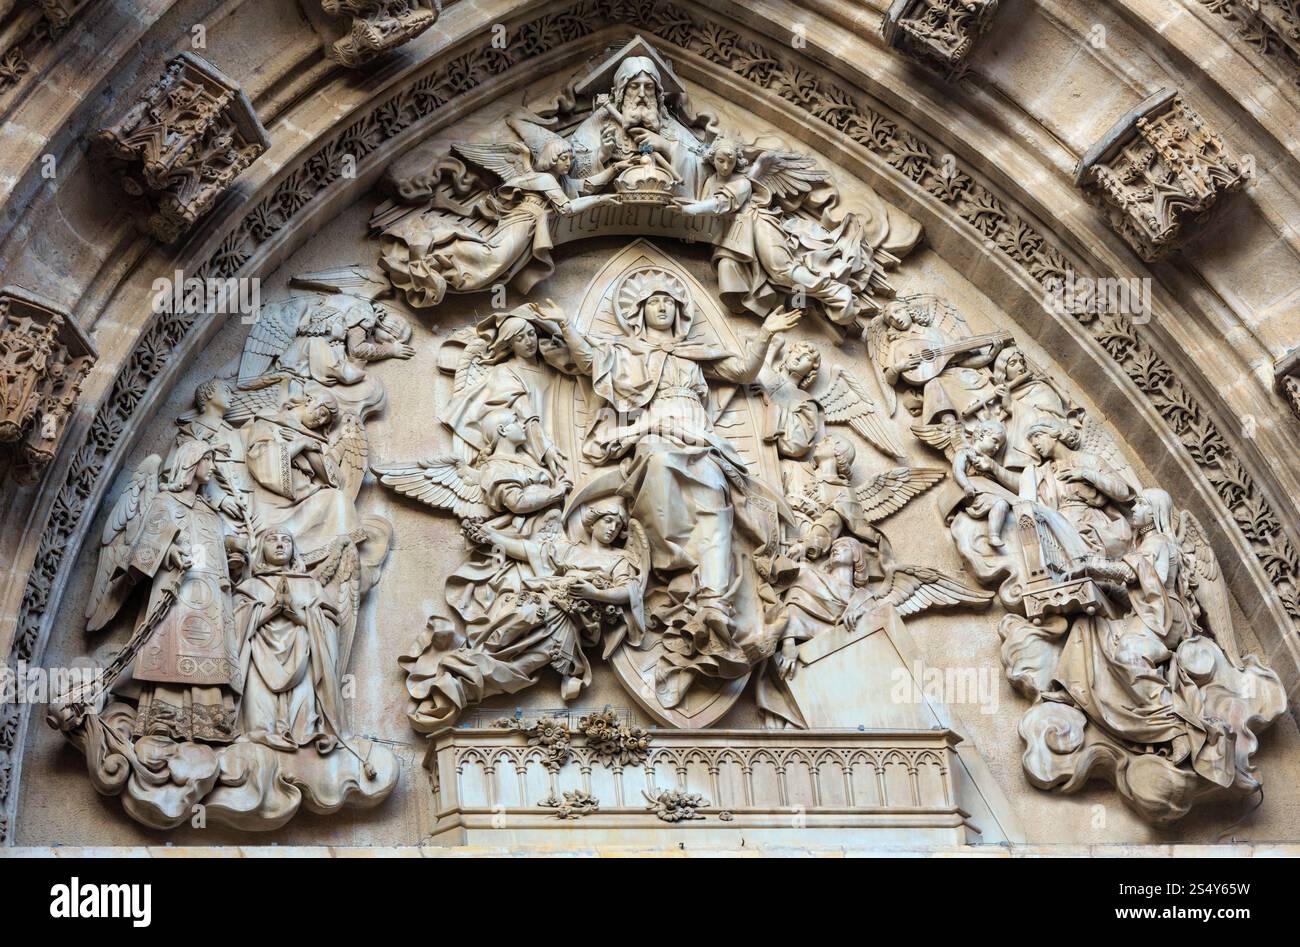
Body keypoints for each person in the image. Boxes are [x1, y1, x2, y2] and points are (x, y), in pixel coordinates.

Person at [234, 530, 346, 752]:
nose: (279, 544)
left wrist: (294, 612)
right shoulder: (250, 587)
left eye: (286, 540)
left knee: (302, 723)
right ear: (261, 550)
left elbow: (329, 629)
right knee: (259, 724)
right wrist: (273, 609)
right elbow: (235, 630)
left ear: (294, 549)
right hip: (259, 659)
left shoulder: (312, 587)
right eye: (272, 539)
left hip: (301, 659)